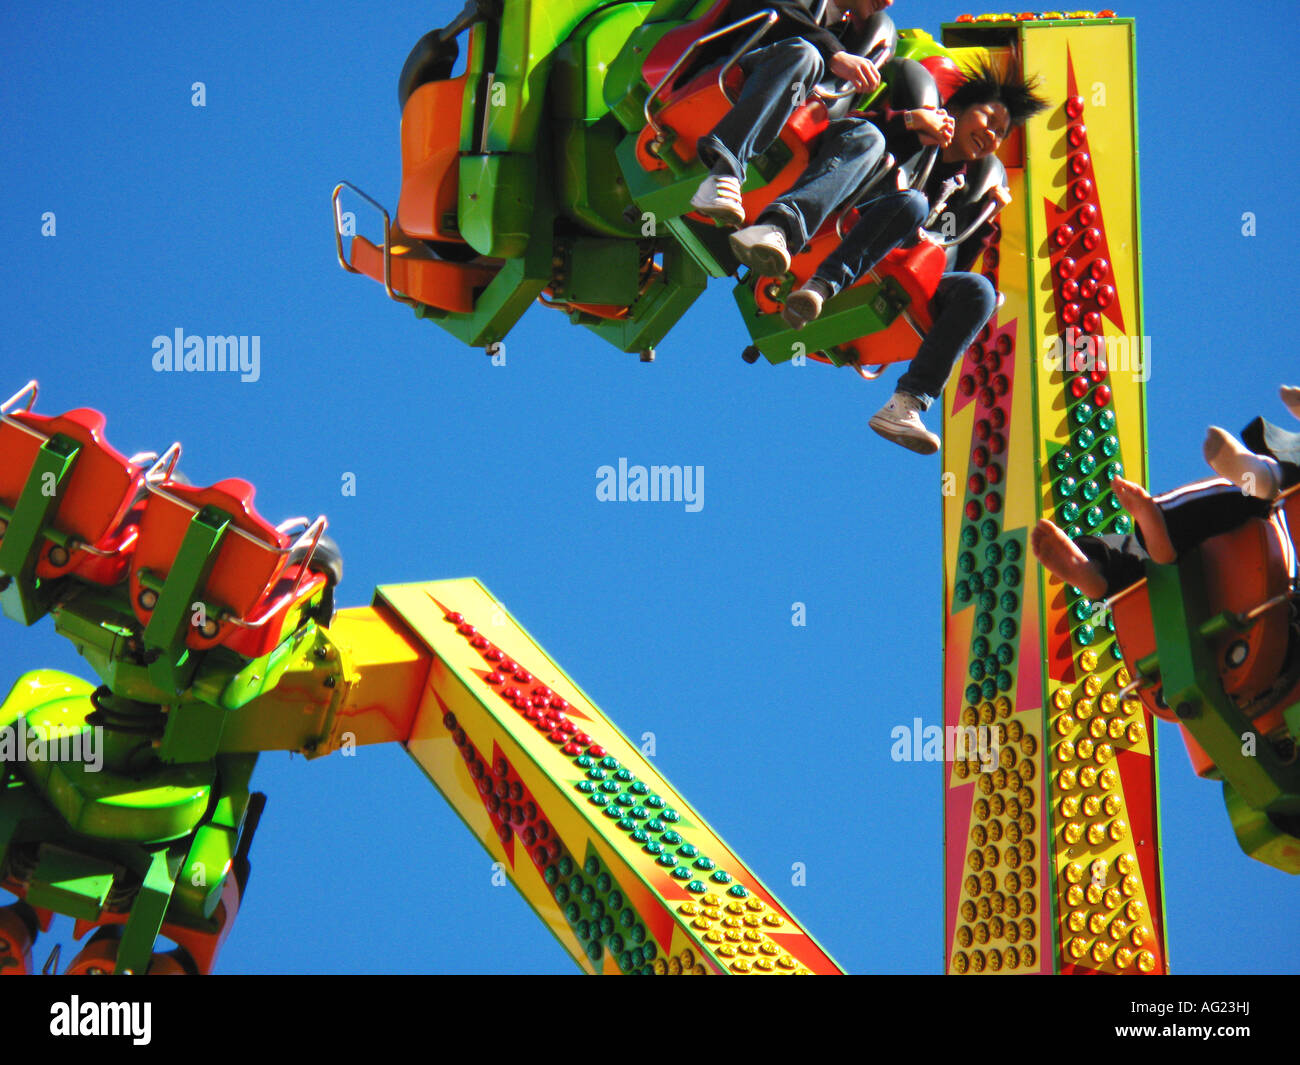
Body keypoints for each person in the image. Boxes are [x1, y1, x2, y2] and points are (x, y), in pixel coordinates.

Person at [767, 59, 1048, 455]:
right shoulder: (910, 129)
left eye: (1001, 133)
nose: (991, 134)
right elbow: (849, 137)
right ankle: (820, 286)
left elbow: (949, 258)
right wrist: (910, 123)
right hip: (846, 228)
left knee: (979, 291)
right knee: (913, 203)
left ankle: (906, 405)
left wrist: (985, 218)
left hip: (893, 264)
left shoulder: (963, 188)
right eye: (987, 118)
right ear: (958, 110)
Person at [1032, 389, 1300, 599]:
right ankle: (1098, 569)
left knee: (1243, 494)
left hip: (1276, 564)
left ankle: (1261, 481)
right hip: (1220, 578)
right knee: (1139, 556)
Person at [690, 0, 896, 227]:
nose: (888, 2)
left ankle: (780, 226)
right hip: (732, 74)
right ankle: (724, 172)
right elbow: (754, 6)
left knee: (869, 138)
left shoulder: (853, 36)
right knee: (806, 53)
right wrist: (833, 53)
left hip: (788, 113)